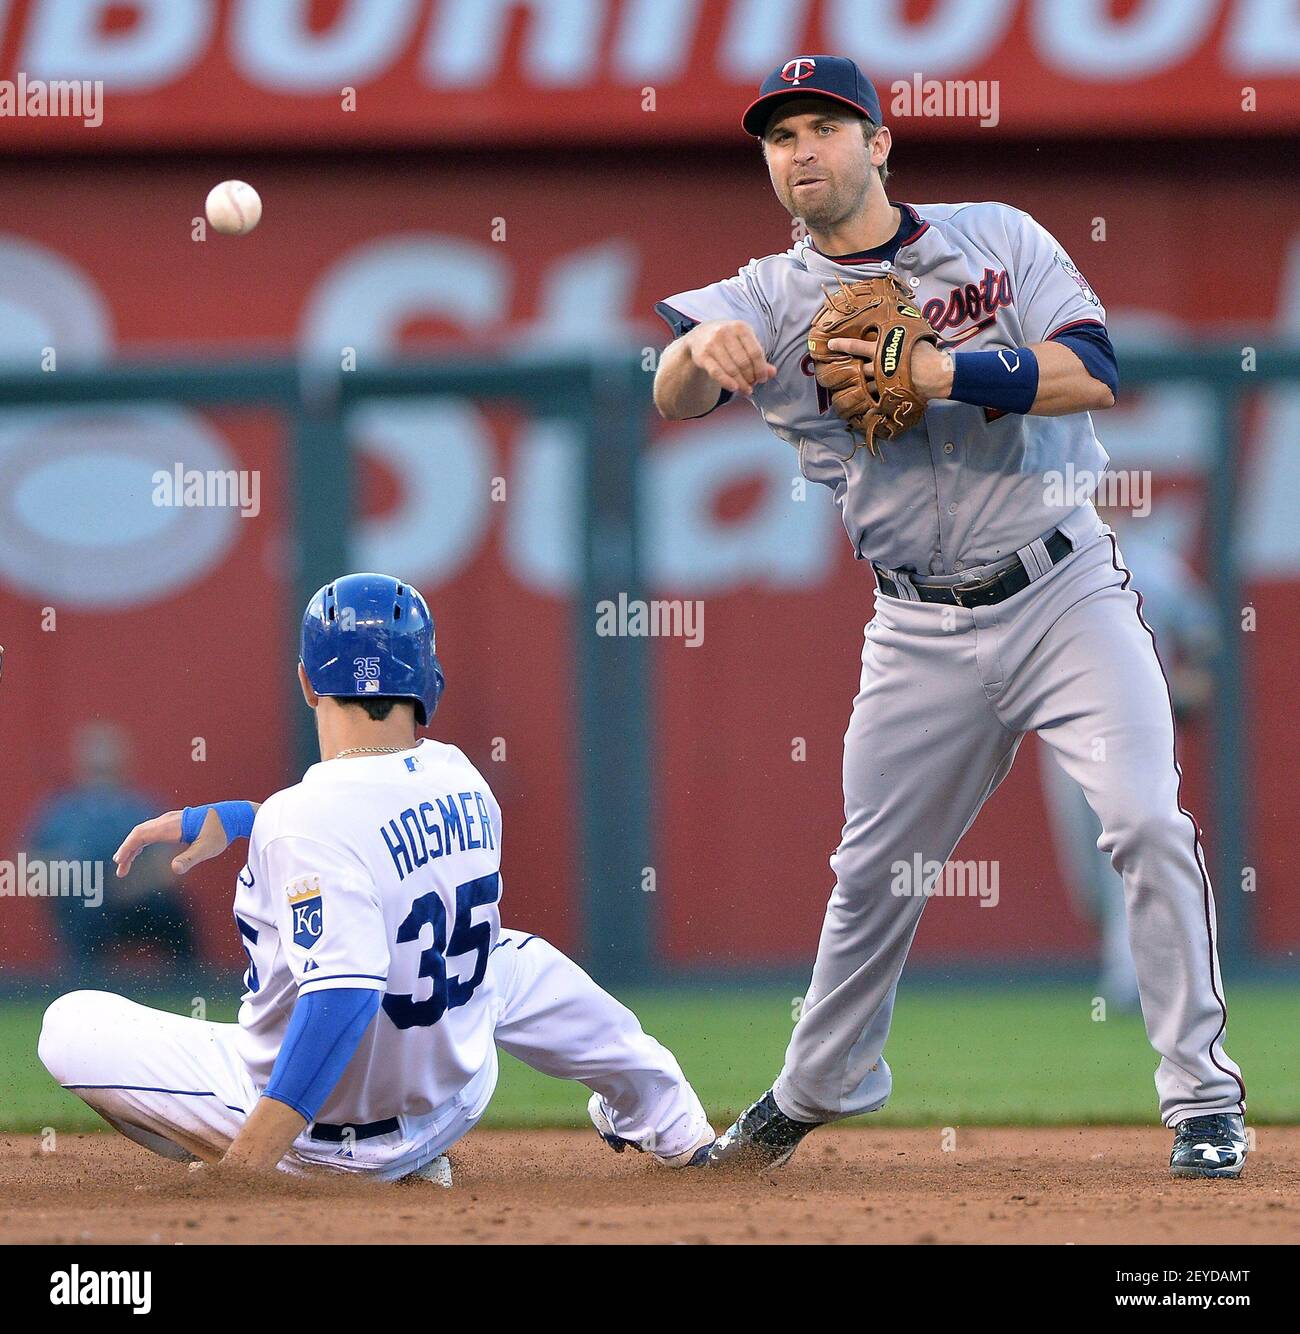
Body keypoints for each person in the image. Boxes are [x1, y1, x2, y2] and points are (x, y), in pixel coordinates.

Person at [652, 55, 1245, 1178]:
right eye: (779, 137)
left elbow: (1093, 368)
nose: (801, 151)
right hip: (916, 626)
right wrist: (693, 352)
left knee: (1145, 821)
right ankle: (806, 1092)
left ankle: (1203, 1099)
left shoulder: (997, 238)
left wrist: (939, 370)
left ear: (879, 144)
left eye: (825, 127)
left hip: (1064, 585)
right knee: (872, 872)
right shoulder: (766, 297)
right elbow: (671, 389)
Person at [38, 573, 713, 1183]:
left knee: (68, 1025)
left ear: (307, 680)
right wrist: (243, 818)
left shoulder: (303, 822)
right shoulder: (463, 779)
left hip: (316, 1142)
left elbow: (343, 996)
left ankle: (278, 1160)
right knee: (509, 958)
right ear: (427, 678)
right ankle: (673, 1123)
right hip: (452, 1103)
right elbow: (361, 824)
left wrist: (244, 1172)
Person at [1040, 510, 1220, 1013]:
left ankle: (1131, 983)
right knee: (1088, 873)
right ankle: (1131, 963)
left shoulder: (1155, 566)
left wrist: (1194, 683)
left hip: (1139, 726)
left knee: (1131, 851)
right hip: (1065, 728)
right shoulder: (1048, 565)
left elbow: (1205, 635)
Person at [27, 722, 195, 973]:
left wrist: (131, 885)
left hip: (138, 899)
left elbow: (169, 864)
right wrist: (76, 878)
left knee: (174, 912)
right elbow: (32, 865)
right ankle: (82, 985)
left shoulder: (141, 807)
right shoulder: (60, 811)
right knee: (82, 912)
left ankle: (190, 985)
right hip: (85, 900)